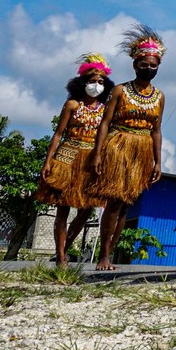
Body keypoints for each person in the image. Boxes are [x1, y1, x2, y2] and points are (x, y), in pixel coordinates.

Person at [89, 26, 166, 272]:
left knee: (127, 204)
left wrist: (157, 162)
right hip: (119, 147)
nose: (149, 68)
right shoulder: (120, 91)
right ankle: (103, 255)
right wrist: (98, 153)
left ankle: (111, 253)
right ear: (135, 65)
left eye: (153, 65)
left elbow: (156, 130)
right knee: (114, 201)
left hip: (142, 150)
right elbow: (105, 123)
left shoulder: (159, 96)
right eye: (144, 64)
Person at [34, 54, 113, 266]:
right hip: (67, 157)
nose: (96, 85)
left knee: (86, 209)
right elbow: (58, 134)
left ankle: (66, 247)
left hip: (90, 161)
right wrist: (48, 161)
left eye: (101, 82)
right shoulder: (72, 105)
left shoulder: (106, 110)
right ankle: (61, 256)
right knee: (62, 208)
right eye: (92, 81)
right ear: (83, 83)